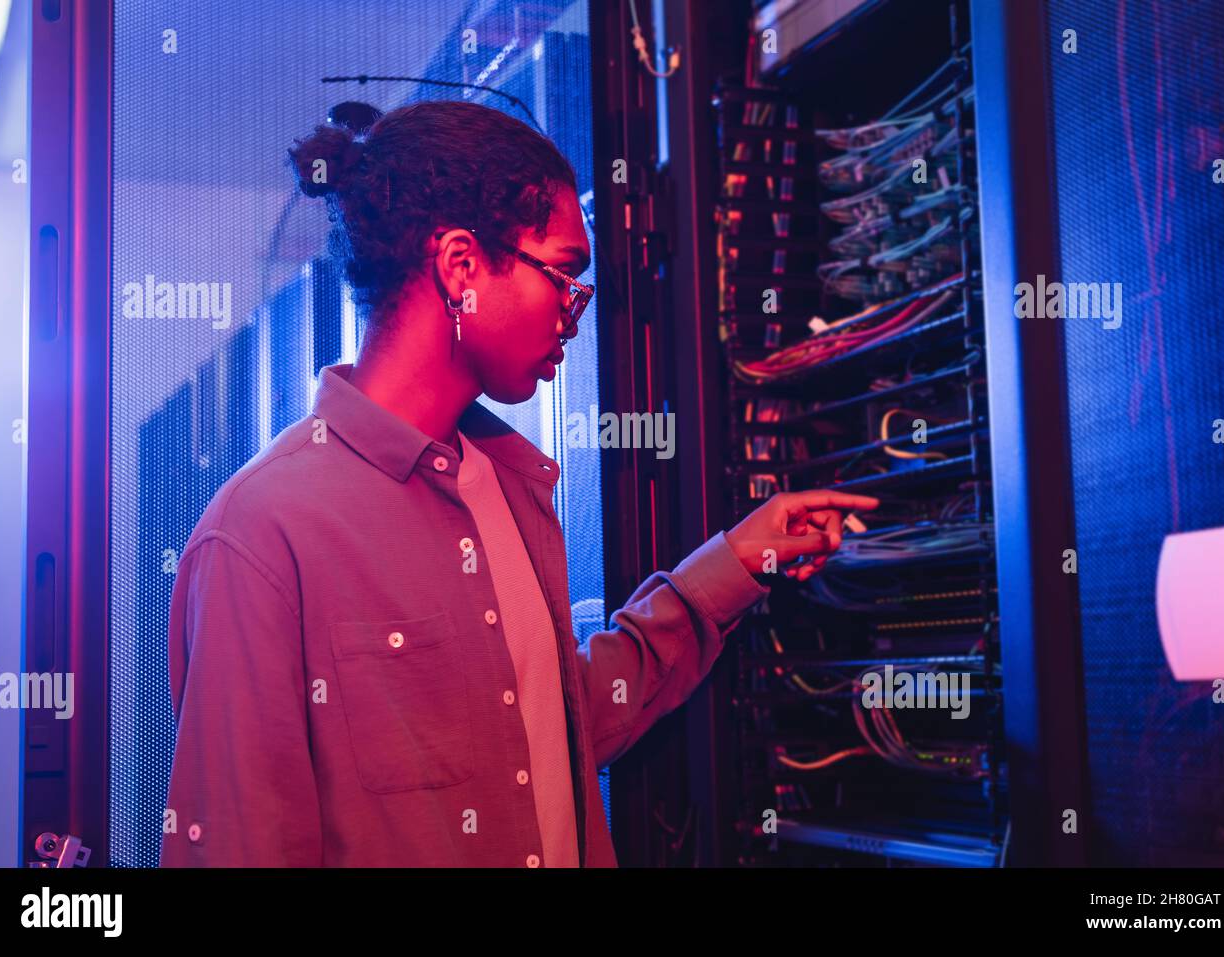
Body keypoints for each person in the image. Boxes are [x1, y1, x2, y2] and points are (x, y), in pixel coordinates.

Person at [159, 100, 877, 867]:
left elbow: (549, 731)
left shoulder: (505, 487)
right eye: (564, 273)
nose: (575, 311)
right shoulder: (262, 534)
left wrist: (737, 562)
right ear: (461, 267)